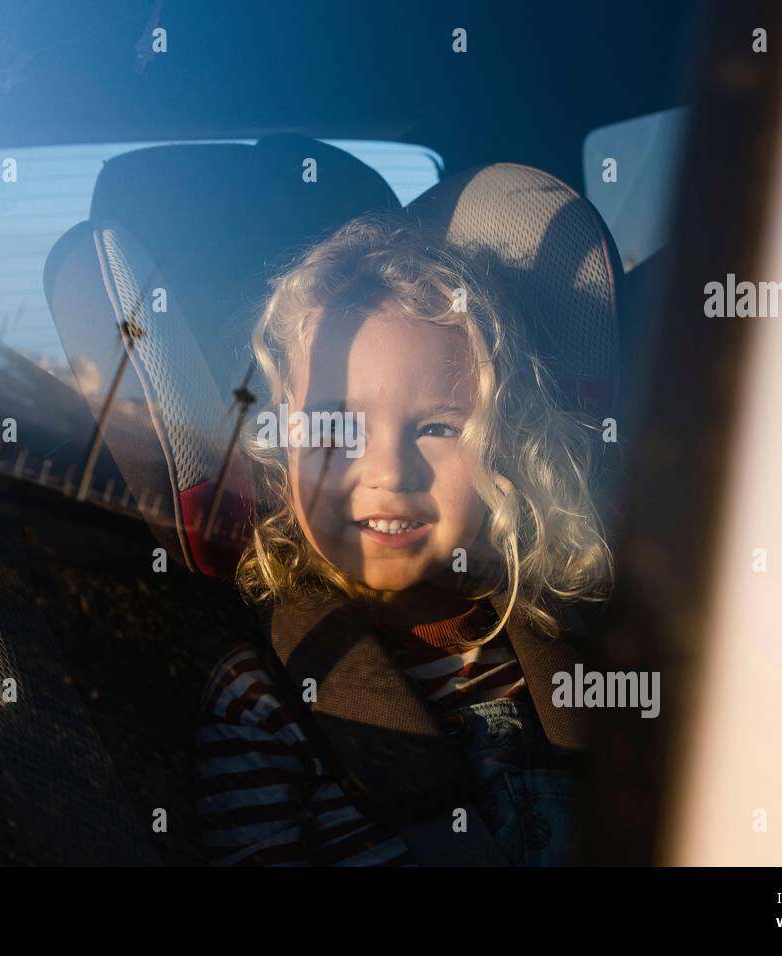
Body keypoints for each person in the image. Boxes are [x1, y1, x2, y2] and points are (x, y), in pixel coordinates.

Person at [192, 215, 612, 865]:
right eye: (338, 429)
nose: (388, 471)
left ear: (501, 447)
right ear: (285, 445)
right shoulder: (267, 695)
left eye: (439, 429)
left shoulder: (563, 641)